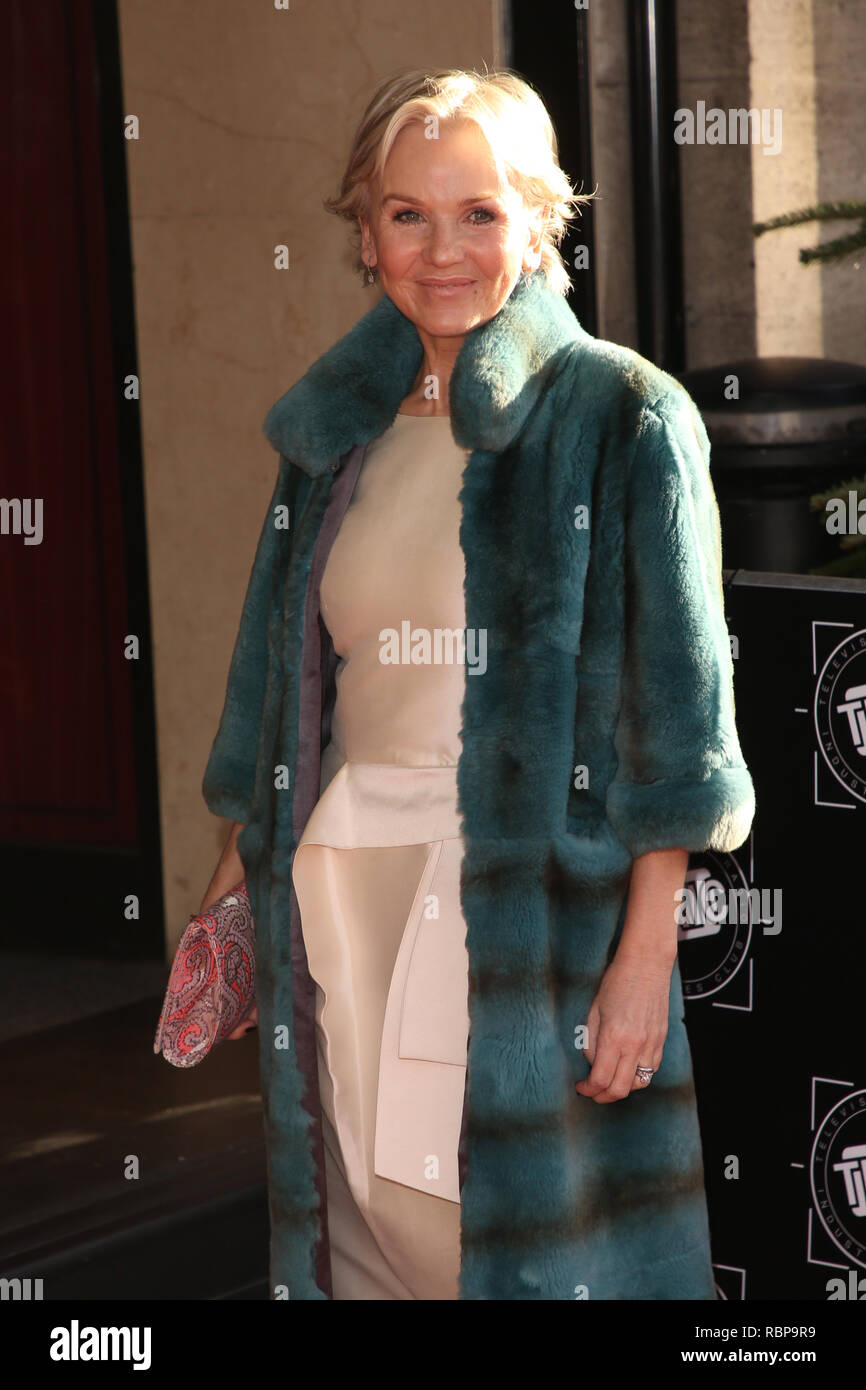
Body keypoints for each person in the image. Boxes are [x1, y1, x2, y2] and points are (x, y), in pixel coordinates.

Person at [199, 67, 756, 1301]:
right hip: (344, 892)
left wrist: (639, 966)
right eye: (407, 214)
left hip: (525, 928)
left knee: (506, 1258)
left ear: (539, 219)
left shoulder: (624, 416)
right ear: (362, 230)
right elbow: (282, 695)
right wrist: (232, 897)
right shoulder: (330, 437)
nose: (440, 250)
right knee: (359, 1247)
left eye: (479, 212)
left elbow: (680, 732)